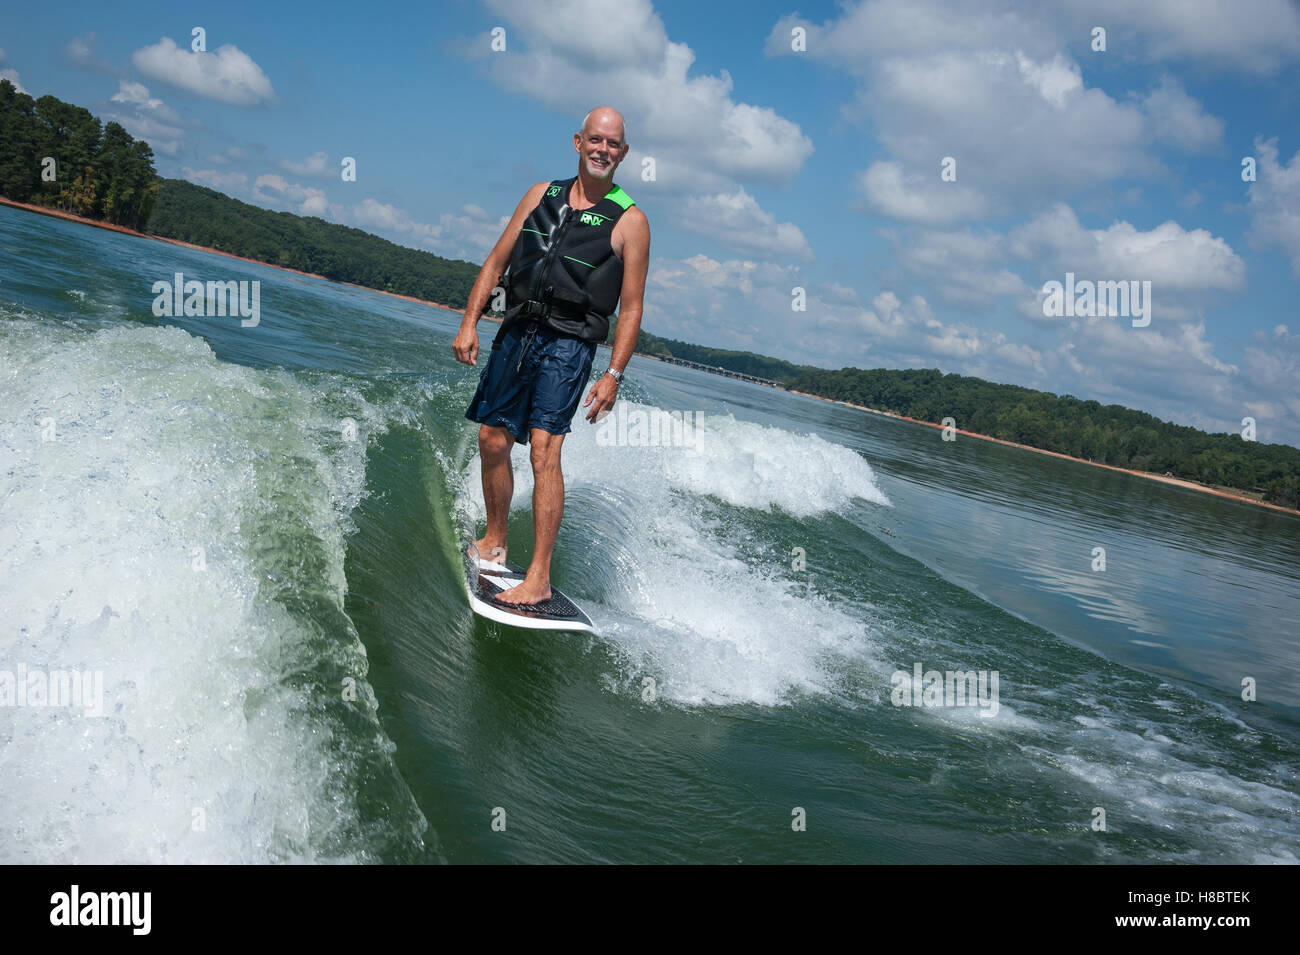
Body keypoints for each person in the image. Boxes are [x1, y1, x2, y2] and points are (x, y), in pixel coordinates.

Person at [452, 106, 650, 608]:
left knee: (544, 450)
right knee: (492, 437)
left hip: (569, 344)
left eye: (614, 144)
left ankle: (537, 576)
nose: (603, 150)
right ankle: (495, 541)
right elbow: (497, 261)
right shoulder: (541, 195)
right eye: (596, 140)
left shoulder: (631, 222)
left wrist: (614, 374)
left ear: (623, 153)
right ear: (579, 142)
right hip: (518, 331)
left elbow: (631, 309)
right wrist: (470, 320)